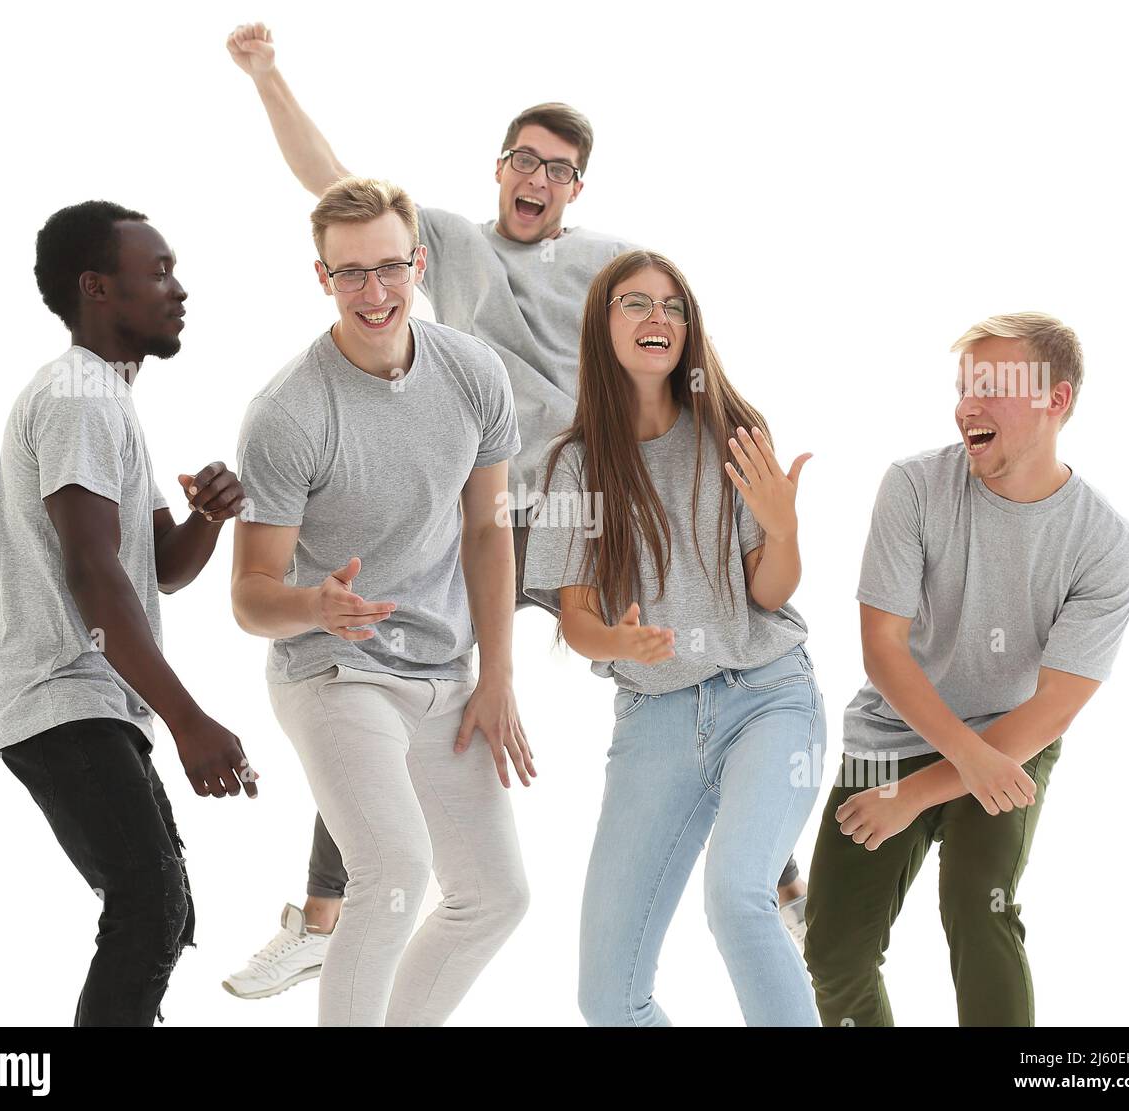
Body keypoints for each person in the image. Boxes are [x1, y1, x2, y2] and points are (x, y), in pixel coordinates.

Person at [221, 21, 807, 994]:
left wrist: (715, 443)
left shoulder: (613, 260)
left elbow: (673, 335)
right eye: (523, 160)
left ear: (577, 188)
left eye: (558, 169)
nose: (537, 178)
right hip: (485, 500)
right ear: (499, 170)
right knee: (377, 659)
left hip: (585, 502)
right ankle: (324, 916)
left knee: (685, 639)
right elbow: (330, 181)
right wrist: (268, 75)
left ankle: (778, 880)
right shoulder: (443, 244)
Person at [230, 176, 531, 1026]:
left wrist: (498, 673)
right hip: (335, 671)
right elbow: (251, 597)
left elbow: (488, 532)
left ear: (419, 264)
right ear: (321, 278)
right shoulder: (288, 413)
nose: (374, 293)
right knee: (394, 872)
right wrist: (316, 607)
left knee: (495, 896)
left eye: (389, 268)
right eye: (350, 274)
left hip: (444, 670)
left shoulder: (474, 373)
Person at [803, 313, 1129, 1026]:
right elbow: (884, 648)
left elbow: (1053, 707)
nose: (967, 404)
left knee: (977, 904)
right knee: (834, 953)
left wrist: (923, 793)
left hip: (1011, 737)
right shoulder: (914, 486)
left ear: (1058, 400)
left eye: (992, 386)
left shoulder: (1106, 546)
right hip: (891, 733)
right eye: (963, 386)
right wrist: (926, 777)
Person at [523, 249, 824, 1026]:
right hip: (653, 721)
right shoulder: (573, 466)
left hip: (766, 697)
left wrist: (784, 529)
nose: (658, 318)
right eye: (635, 303)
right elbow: (580, 623)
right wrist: (619, 643)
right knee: (609, 999)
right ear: (602, 326)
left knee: (738, 896)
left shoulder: (733, 433)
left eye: (673, 306)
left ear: (689, 331)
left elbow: (770, 591)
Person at [0, 201, 256, 1026]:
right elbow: (95, 578)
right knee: (149, 906)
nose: (179, 290)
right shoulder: (78, 399)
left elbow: (157, 569)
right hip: (58, 691)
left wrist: (208, 515)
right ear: (98, 288)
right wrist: (191, 720)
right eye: (159, 271)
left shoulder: (108, 395)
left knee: (163, 911)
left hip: (90, 696)